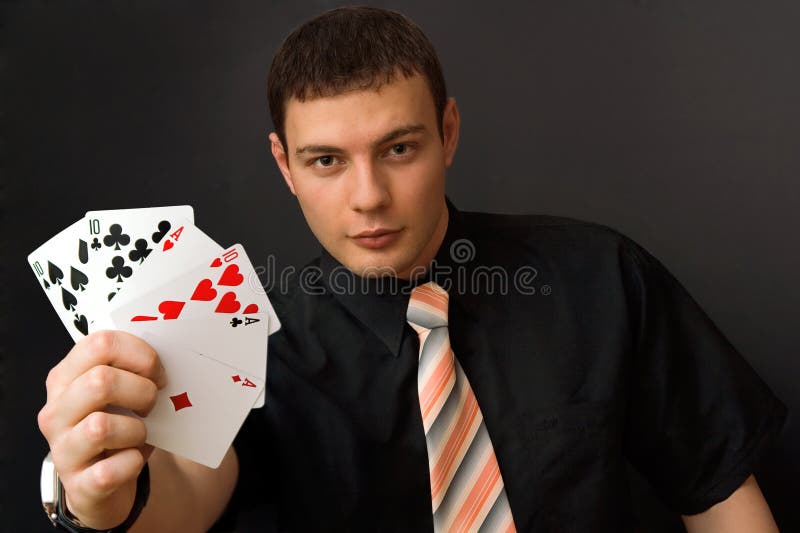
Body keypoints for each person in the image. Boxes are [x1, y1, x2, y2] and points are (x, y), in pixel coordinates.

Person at [36, 6, 787, 532]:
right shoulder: (247, 339)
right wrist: (103, 496)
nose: (369, 198)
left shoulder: (600, 277)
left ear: (448, 132)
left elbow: (718, 488)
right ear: (283, 166)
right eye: (326, 160)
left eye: (398, 149)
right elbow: (189, 500)